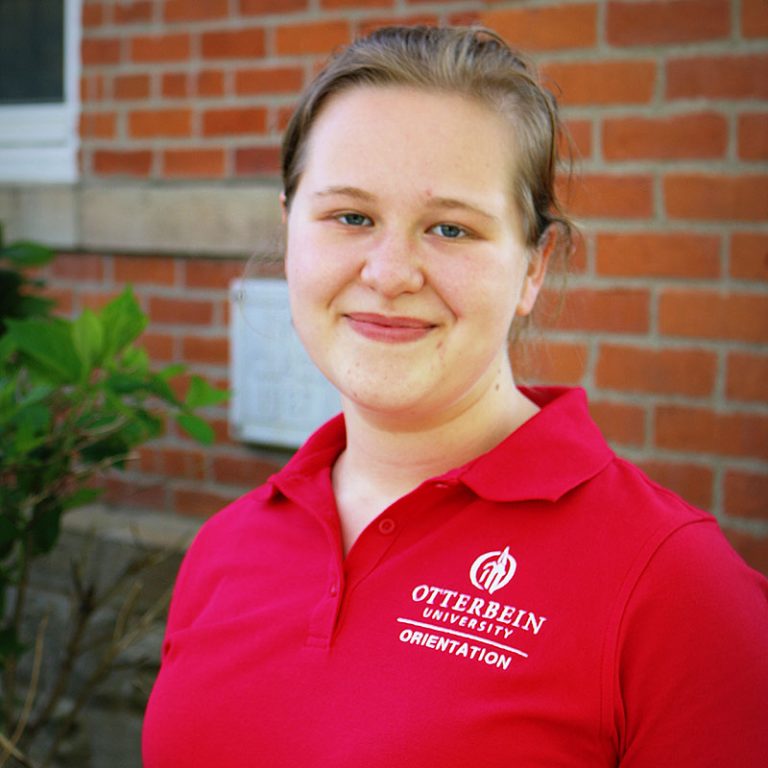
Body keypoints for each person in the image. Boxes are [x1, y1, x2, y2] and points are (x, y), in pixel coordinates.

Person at [142, 26, 768, 767]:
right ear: (290, 233)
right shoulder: (226, 548)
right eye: (351, 217)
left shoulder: (674, 588)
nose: (390, 271)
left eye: (450, 228)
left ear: (534, 268)